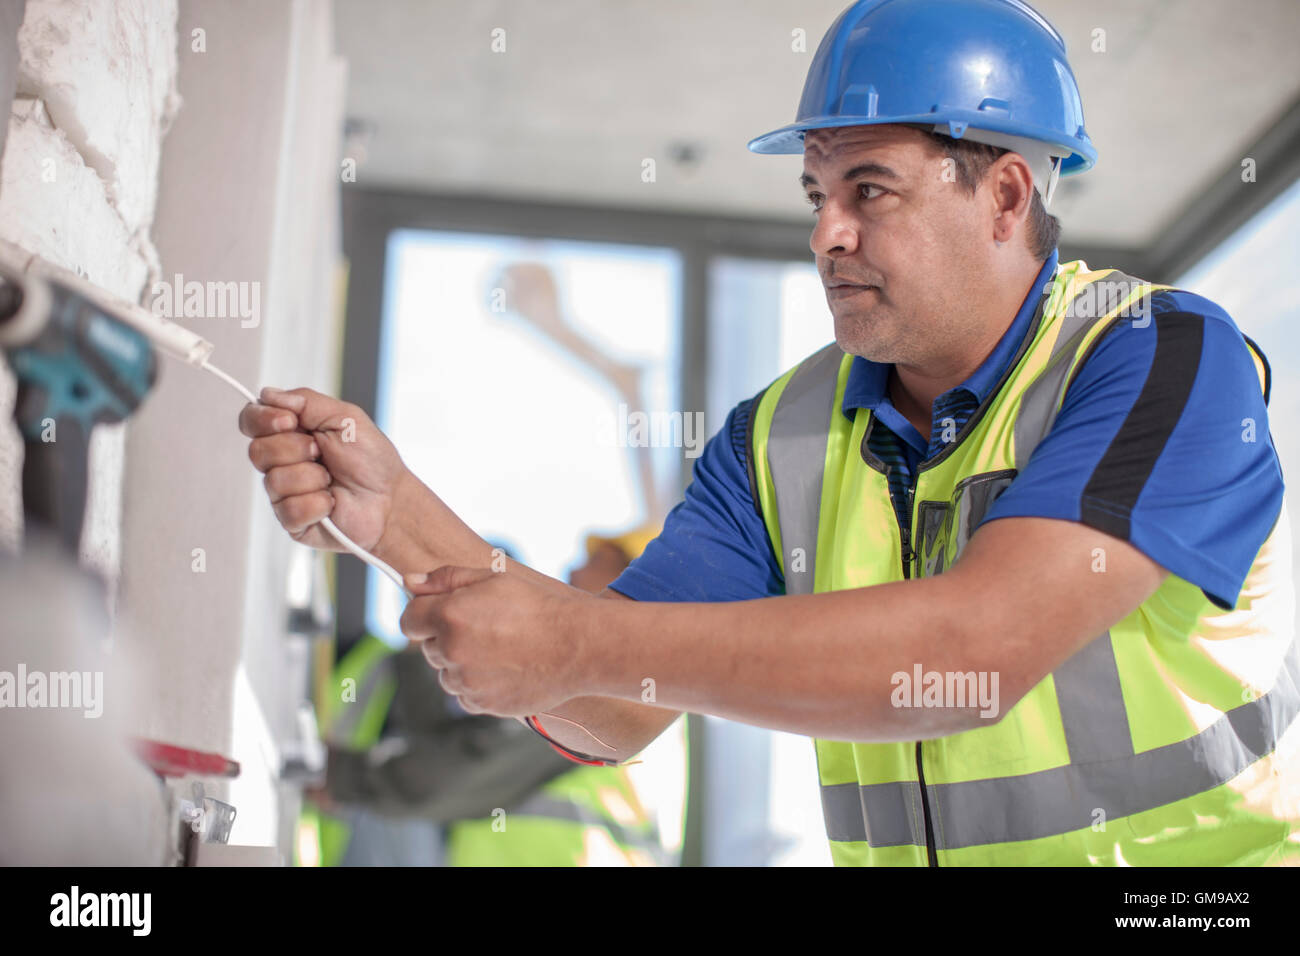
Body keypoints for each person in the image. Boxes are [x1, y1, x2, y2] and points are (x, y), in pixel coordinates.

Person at [241, 0, 1299, 866]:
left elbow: (974, 654)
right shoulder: (778, 434)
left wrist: (572, 637)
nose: (824, 234)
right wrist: (395, 521)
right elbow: (607, 707)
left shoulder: (1160, 358)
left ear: (1005, 194)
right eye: (814, 194)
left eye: (867, 189)